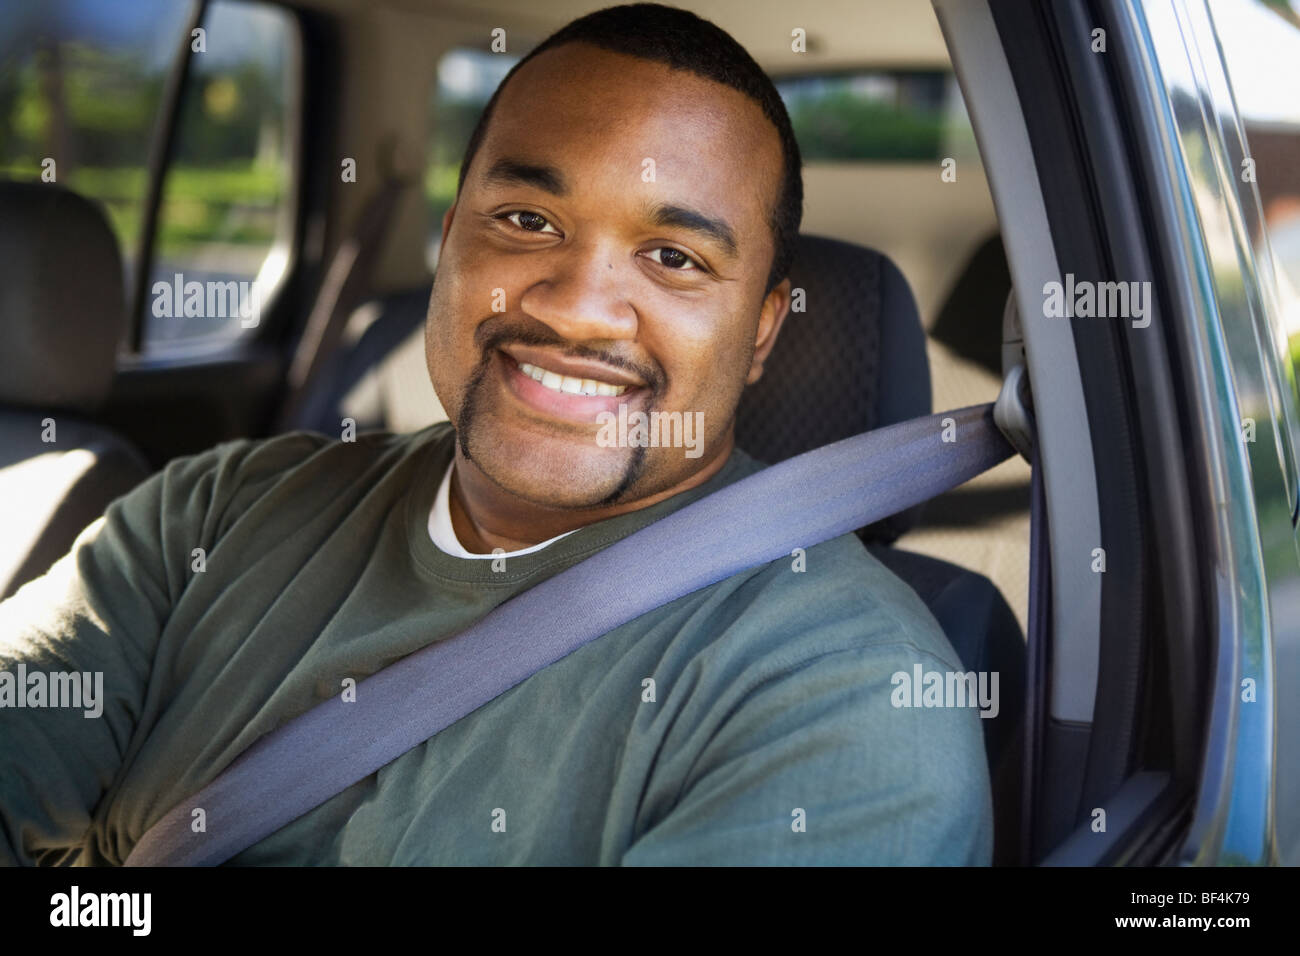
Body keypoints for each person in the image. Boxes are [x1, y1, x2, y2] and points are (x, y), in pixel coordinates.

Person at [0, 2, 992, 865]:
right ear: (448, 241)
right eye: (526, 218)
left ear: (764, 327)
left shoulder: (840, 690)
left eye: (672, 255)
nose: (579, 309)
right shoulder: (214, 510)